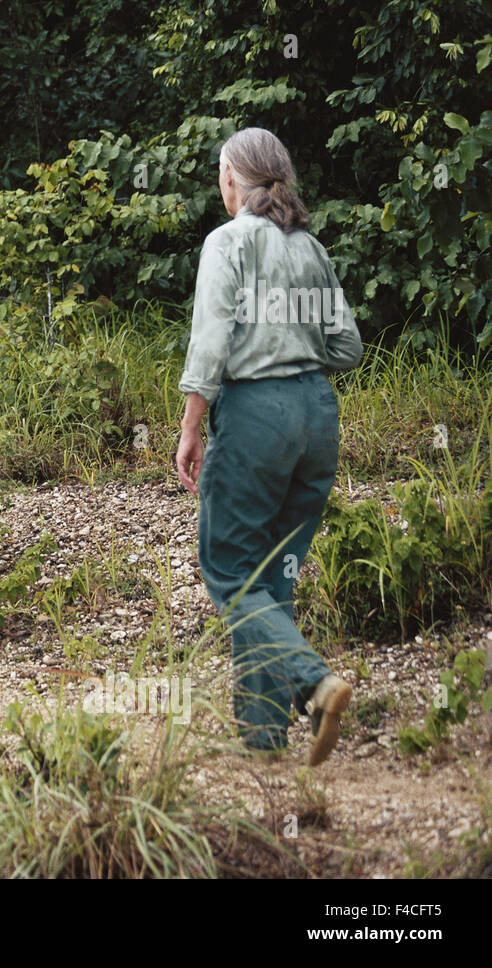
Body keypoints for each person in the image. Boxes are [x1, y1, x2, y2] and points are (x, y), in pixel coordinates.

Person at [175, 127, 363, 765]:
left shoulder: (227, 242)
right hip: (317, 417)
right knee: (271, 576)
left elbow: (209, 342)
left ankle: (316, 682)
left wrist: (191, 426)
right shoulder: (311, 248)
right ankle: (262, 739)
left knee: (231, 571)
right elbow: (348, 348)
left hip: (257, 416)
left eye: (219, 174)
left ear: (232, 180)